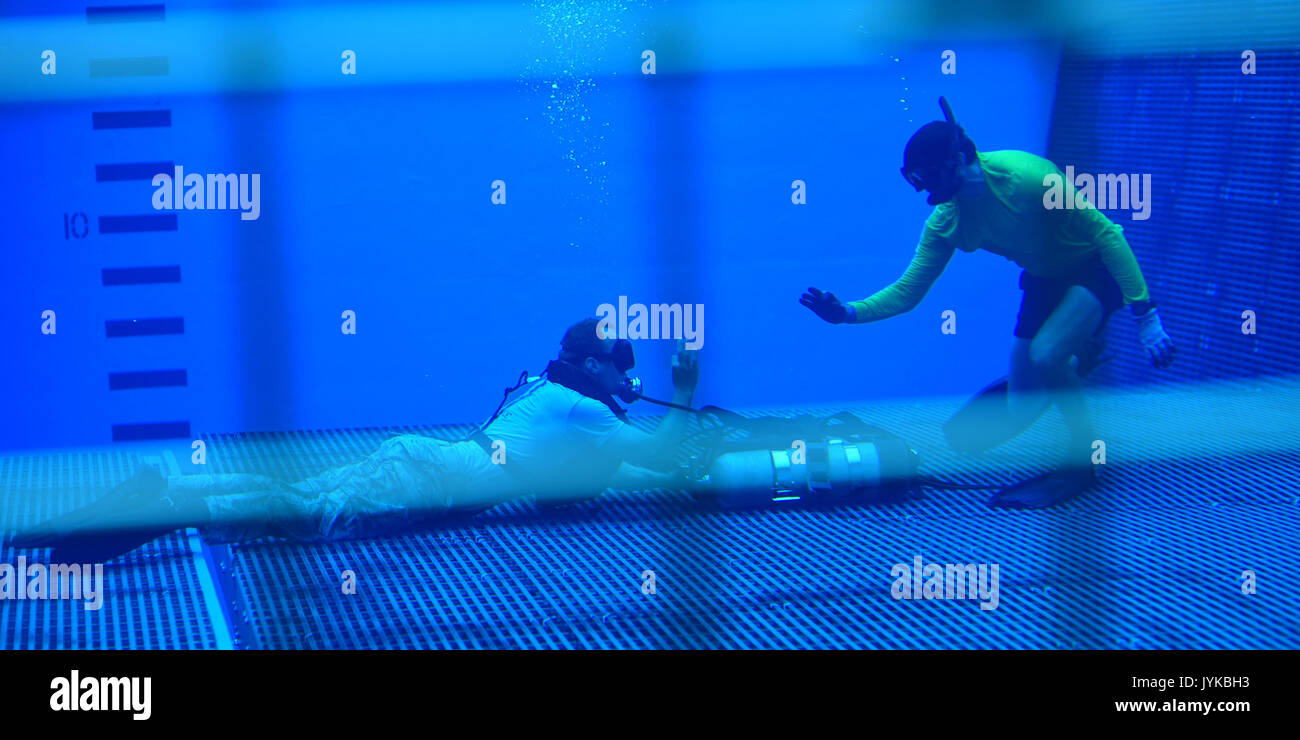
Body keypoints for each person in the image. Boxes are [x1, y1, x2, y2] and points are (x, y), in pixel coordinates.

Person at [12, 318, 700, 561]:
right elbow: (666, 455)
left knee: (294, 499)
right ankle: (171, 503)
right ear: (588, 366)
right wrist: (685, 387)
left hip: (426, 462)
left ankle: (173, 488)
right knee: (304, 515)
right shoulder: (585, 411)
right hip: (431, 478)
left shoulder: (558, 396)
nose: (630, 373)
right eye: (621, 363)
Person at [800, 100, 1175, 508]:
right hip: (1044, 279)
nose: (924, 189)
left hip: (1094, 266)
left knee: (1047, 354)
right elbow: (908, 292)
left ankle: (1086, 459)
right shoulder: (946, 223)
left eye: (927, 176)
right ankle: (1077, 360)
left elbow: (1107, 235)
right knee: (1019, 407)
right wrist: (846, 314)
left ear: (958, 160)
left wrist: (1146, 315)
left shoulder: (1030, 178)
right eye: (917, 180)